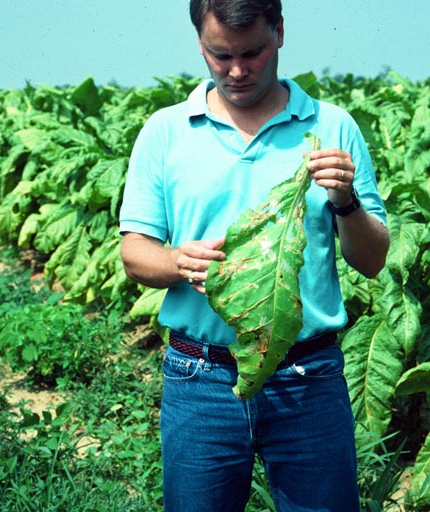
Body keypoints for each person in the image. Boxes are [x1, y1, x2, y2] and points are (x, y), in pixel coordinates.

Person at [118, 0, 390, 510]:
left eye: (253, 52)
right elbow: (134, 253)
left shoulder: (331, 128)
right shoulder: (166, 131)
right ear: (199, 41)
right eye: (219, 55)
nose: (237, 71)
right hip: (201, 379)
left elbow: (372, 261)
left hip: (307, 378)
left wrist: (346, 202)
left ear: (280, 33)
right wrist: (180, 261)